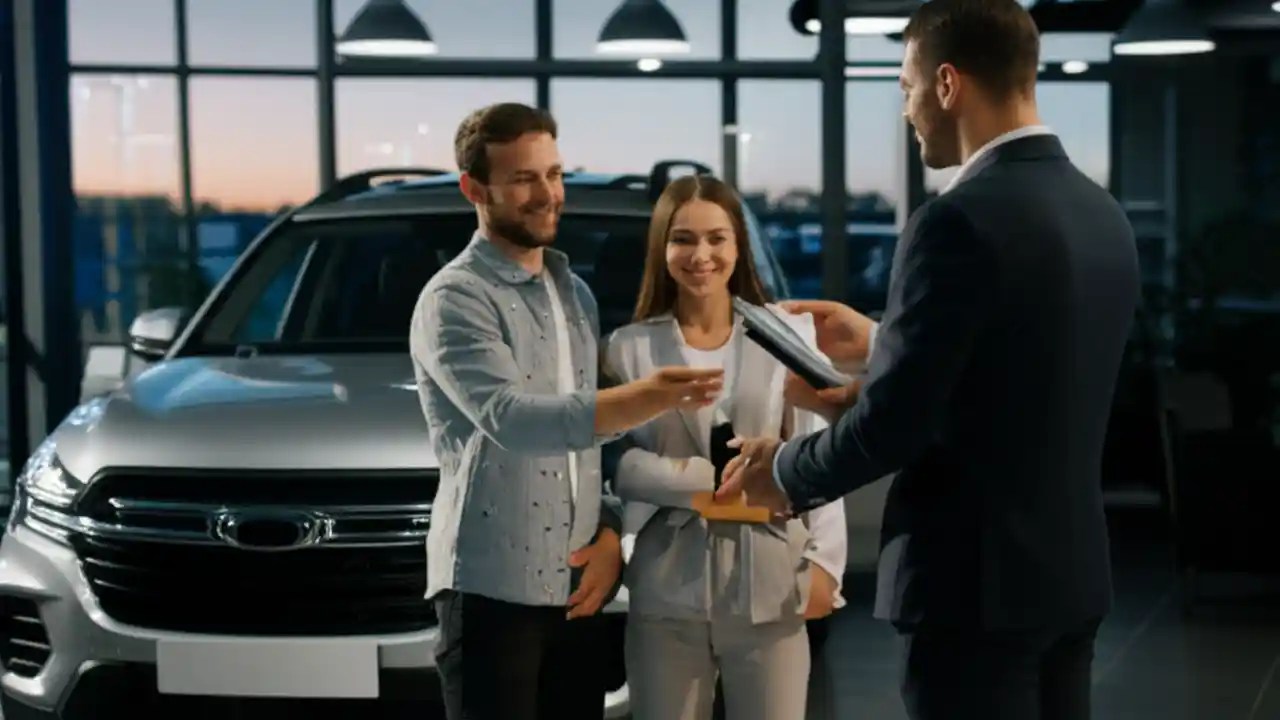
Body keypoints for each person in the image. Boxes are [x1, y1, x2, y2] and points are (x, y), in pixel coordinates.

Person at [717, 1, 1142, 719]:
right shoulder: (1101, 212)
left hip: (972, 587)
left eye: (906, 86)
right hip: (1069, 579)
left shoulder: (955, 220)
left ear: (947, 84)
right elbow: (1023, 374)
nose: (908, 110)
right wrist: (885, 342)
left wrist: (779, 472)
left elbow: (895, 430)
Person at [409, 102, 724, 720]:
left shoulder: (572, 292)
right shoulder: (455, 298)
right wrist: (651, 395)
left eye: (553, 174)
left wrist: (609, 530)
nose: (547, 193)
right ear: (473, 188)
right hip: (491, 588)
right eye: (524, 178)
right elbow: (515, 419)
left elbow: (589, 443)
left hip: (578, 586)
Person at [600, 174, 848, 720]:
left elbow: (821, 453)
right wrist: (698, 481)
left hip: (772, 580)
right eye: (683, 238)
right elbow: (619, 467)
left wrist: (827, 563)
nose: (701, 255)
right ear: (662, 248)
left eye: (717, 238)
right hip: (666, 587)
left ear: (739, 244)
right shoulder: (628, 348)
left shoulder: (786, 334)